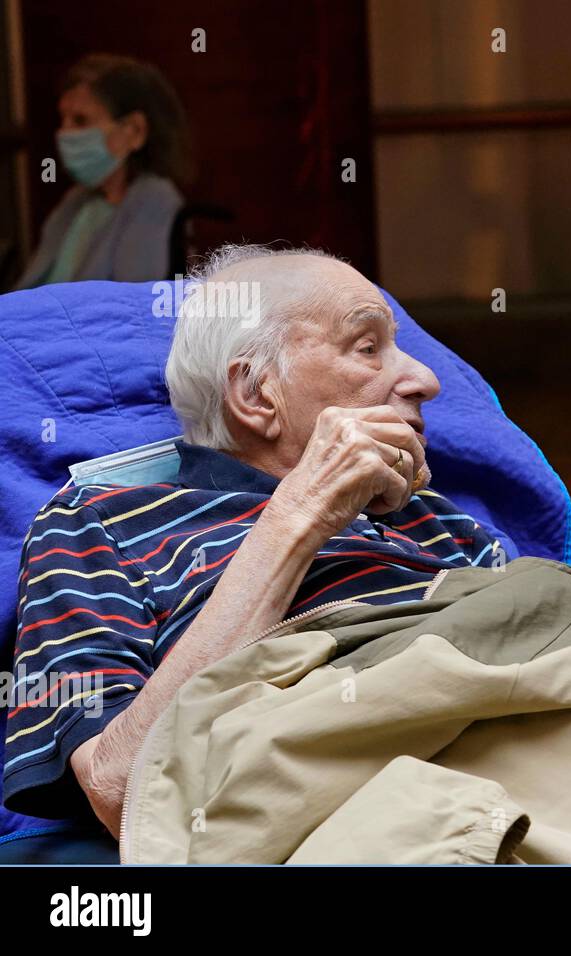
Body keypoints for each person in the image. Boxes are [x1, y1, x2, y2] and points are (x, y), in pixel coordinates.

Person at [2, 245, 505, 841]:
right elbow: (123, 789)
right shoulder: (98, 525)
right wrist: (302, 514)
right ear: (257, 393)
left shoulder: (444, 525)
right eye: (368, 348)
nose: (426, 379)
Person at [13, 53, 191, 289]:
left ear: (134, 131)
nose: (64, 133)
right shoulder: (77, 200)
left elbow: (129, 310)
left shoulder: (154, 201)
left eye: (80, 121)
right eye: (63, 119)